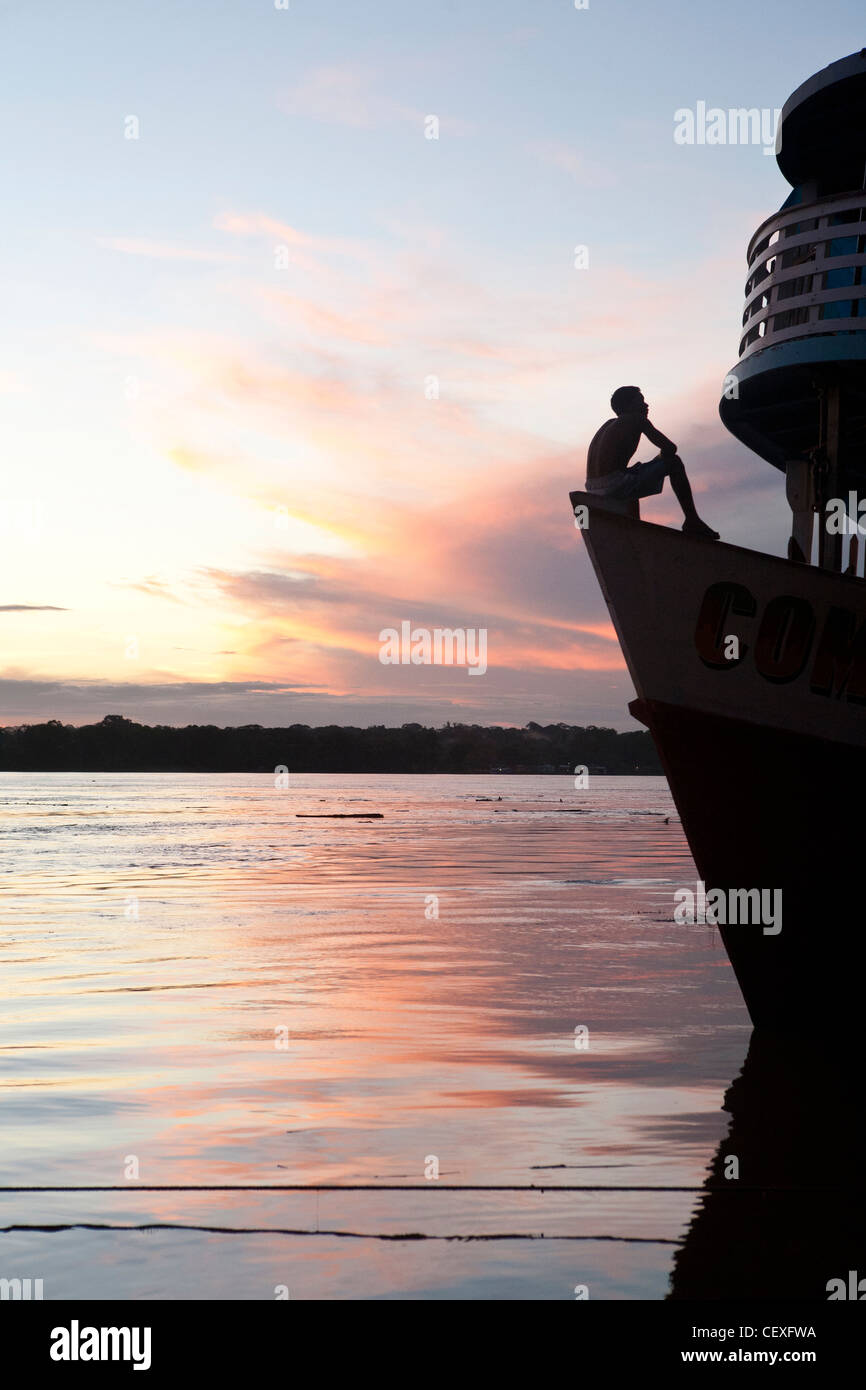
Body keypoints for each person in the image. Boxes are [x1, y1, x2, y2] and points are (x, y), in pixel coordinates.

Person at [585, 386, 719, 538]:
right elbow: (670, 448)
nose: (646, 405)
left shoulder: (608, 425)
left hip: (592, 487)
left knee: (632, 476)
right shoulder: (636, 419)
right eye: (640, 401)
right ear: (629, 406)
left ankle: (635, 530)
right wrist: (661, 458)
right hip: (614, 484)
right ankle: (692, 520)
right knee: (674, 463)